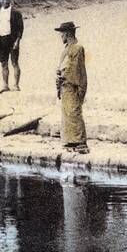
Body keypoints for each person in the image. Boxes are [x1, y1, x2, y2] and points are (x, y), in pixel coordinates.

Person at [55, 21, 89, 154]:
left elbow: (76, 69)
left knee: (73, 112)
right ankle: (70, 140)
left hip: (71, 84)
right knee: (67, 112)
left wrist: (64, 75)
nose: (61, 37)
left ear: (68, 34)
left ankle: (79, 141)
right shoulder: (67, 49)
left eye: (62, 34)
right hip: (65, 85)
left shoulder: (77, 48)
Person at [0, 0, 24, 91]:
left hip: (12, 39)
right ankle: (5, 85)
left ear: (10, 0)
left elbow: (20, 28)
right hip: (2, 39)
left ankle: (16, 85)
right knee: (4, 63)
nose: (4, 1)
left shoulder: (16, 13)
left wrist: (17, 41)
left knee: (14, 62)